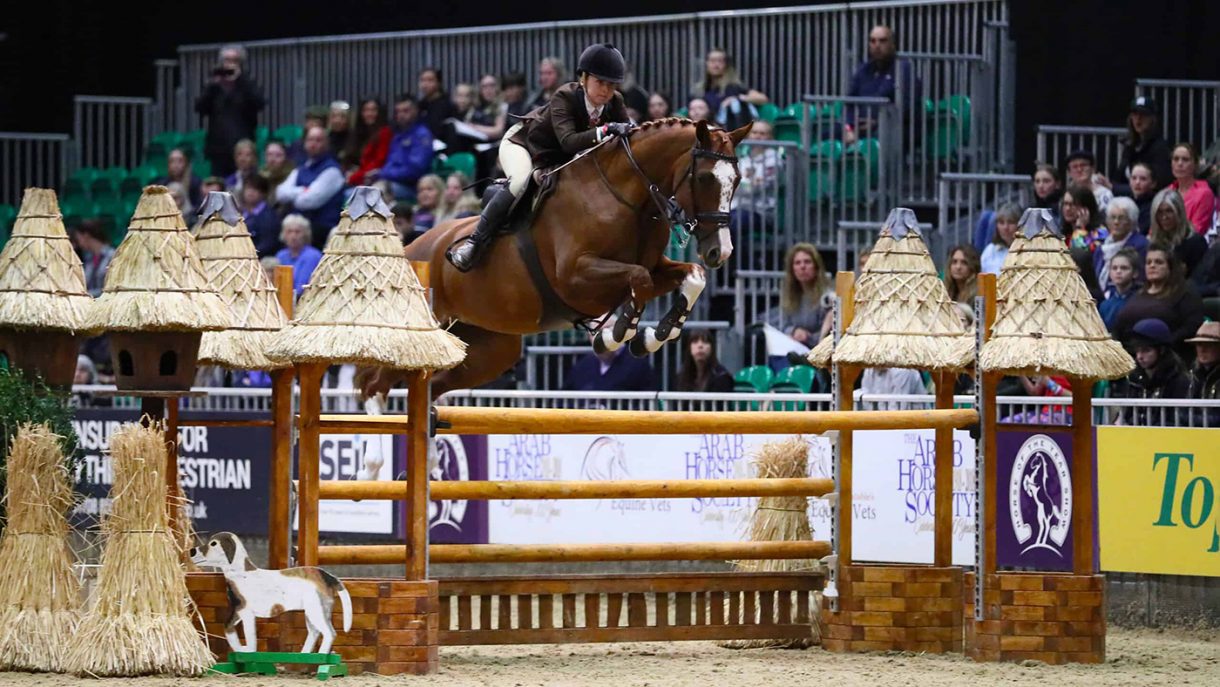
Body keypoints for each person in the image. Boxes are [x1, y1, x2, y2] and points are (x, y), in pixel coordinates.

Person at [447, 43, 632, 272]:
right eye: (600, 82)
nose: (606, 90)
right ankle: (473, 243)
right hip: (523, 145)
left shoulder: (615, 102)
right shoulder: (564, 96)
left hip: (559, 157)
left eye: (612, 85)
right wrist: (606, 130)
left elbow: (629, 132)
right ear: (583, 78)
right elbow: (568, 141)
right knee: (520, 181)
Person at [1114, 246, 1205, 356]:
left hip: (1166, 354)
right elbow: (1119, 326)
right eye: (1148, 262)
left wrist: (1161, 346)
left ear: (1170, 267)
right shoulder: (1139, 292)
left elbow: (1191, 326)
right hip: (1130, 354)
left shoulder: (1184, 292)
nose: (1152, 265)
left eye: (1159, 262)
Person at [194, 44, 264, 178]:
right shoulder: (215, 86)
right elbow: (199, 108)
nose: (230, 64)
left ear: (241, 63)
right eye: (227, 60)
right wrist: (212, 86)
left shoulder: (247, 83)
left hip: (242, 147)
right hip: (219, 149)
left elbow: (259, 103)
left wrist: (241, 79)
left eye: (235, 60)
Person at [845, 25, 920, 141]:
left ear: (892, 44)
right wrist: (849, 127)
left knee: (880, 135)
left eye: (882, 41)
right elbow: (849, 103)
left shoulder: (903, 69)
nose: (877, 45)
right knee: (827, 132)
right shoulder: (863, 70)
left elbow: (906, 107)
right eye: (872, 41)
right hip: (861, 126)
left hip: (892, 128)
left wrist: (876, 123)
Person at [275, 126, 345, 247]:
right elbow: (280, 193)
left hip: (320, 229)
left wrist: (293, 195)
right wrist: (302, 190)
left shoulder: (332, 171)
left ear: (326, 144)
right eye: (310, 140)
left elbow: (308, 202)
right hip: (298, 224)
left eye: (318, 140)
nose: (313, 144)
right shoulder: (302, 168)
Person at [1122, 318, 1190, 426]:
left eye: (1146, 350)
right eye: (1137, 350)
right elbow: (1127, 415)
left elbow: (1177, 420)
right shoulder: (1134, 379)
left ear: (1162, 350)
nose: (1139, 356)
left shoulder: (1179, 380)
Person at [563, 316, 655, 392]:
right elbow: (562, 401)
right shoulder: (582, 365)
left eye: (607, 329)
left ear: (620, 332)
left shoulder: (638, 365)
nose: (602, 336)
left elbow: (648, 404)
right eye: (595, 331)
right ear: (589, 337)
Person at [1107, 96, 1172, 195]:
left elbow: (1157, 185)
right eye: (1135, 114)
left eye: (1143, 115)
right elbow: (1118, 177)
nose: (1138, 119)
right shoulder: (1130, 147)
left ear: (1152, 119)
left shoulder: (1160, 148)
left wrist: (1115, 188)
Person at [376, 94, 434, 202]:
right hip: (391, 183)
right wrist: (378, 173)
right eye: (398, 111)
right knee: (357, 192)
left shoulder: (421, 135)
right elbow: (390, 163)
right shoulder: (398, 136)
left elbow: (414, 171)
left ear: (415, 111)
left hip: (412, 188)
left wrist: (384, 174)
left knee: (375, 193)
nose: (401, 115)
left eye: (405, 111)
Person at [692, 49, 768, 130]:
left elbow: (762, 98)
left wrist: (737, 98)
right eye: (712, 61)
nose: (716, 64)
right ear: (707, 63)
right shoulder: (700, 89)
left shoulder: (735, 87)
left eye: (720, 61)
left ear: (726, 65)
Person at [775, 243, 833, 347]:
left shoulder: (826, 297)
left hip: (817, 349)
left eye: (807, 262)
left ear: (816, 267)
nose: (802, 266)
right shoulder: (788, 295)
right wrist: (794, 331)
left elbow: (828, 333)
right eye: (797, 263)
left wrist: (807, 337)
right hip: (794, 346)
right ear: (792, 269)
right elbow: (783, 325)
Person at [1149, 188, 1208, 277]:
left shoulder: (1195, 242)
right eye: (1159, 212)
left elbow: (1200, 279)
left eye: (1169, 211)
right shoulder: (1154, 243)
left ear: (1179, 212)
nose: (1164, 217)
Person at [1095, 196, 1149, 290]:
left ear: (1131, 221)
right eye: (1113, 217)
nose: (1116, 222)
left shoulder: (1140, 245)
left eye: (1121, 218)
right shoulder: (1101, 248)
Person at [1168, 142, 1216, 234]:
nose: (1180, 163)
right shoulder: (1167, 191)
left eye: (1185, 160)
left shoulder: (1204, 193)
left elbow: (1197, 229)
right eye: (1176, 159)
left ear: (1195, 164)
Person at [343, 97, 392, 186]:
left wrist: (353, 177)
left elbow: (378, 163)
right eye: (366, 110)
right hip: (357, 177)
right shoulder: (357, 133)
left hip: (373, 179)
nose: (369, 114)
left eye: (373, 110)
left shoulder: (384, 132)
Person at [275, 214, 323, 296]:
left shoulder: (312, 256)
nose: (293, 236)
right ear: (283, 234)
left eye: (297, 232)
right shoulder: (280, 255)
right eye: (289, 231)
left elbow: (302, 288)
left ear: (305, 234)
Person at [1185, 322, 1220, 424]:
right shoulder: (1191, 375)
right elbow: (1181, 413)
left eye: (1209, 344)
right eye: (1199, 344)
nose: (1202, 349)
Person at [1098, 247, 1140, 332]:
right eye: (1114, 268)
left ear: (1135, 273)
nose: (1118, 271)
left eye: (1124, 268)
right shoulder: (1105, 305)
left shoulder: (1139, 302)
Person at [241, 174, 280, 258]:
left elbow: (267, 244)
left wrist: (247, 255)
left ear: (264, 193)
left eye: (255, 189)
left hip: (260, 259)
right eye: (248, 188)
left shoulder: (269, 216)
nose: (250, 192)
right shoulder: (240, 213)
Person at [74, 219, 114, 298]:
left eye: (79, 239)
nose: (79, 243)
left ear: (86, 236)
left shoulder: (112, 256)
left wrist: (88, 294)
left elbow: (111, 288)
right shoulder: (89, 259)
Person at [1064, 150, 1113, 214]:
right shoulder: (1066, 194)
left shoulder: (1104, 194)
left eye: (1083, 165)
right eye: (1075, 167)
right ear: (1069, 172)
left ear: (1093, 168)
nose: (1079, 169)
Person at [1061, 183, 1105, 253]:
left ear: (1086, 208)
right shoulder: (1062, 233)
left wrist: (1080, 229)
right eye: (1065, 203)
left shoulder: (1101, 232)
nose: (1068, 208)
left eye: (1073, 204)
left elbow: (1081, 255)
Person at [418, 67, 457, 141]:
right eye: (422, 80)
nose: (425, 84)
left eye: (430, 80)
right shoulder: (419, 106)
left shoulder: (448, 105)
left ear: (438, 83)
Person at [861, 367, 927, 410]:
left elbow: (899, 407)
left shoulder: (903, 370)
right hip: (881, 419)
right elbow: (866, 402)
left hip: (915, 421)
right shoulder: (868, 370)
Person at [981, 202, 1020, 274]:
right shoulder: (990, 251)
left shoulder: (1029, 251)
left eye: (1011, 222)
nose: (1006, 227)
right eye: (1001, 223)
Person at [1128, 162, 1159, 234]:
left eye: (1143, 179)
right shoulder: (1125, 202)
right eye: (1134, 178)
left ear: (1153, 183)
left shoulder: (1155, 206)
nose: (1137, 182)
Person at [327, 100, 353, 167]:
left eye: (342, 117)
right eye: (334, 116)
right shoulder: (324, 139)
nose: (337, 120)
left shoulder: (355, 139)